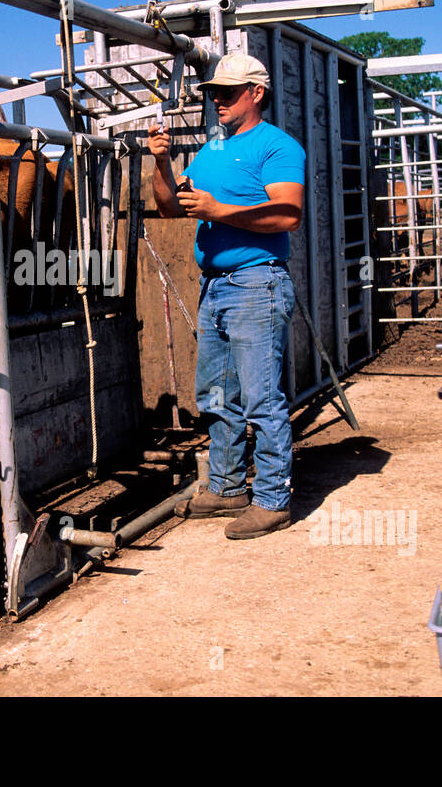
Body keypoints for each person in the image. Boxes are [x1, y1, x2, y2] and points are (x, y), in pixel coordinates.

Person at [149, 52, 306, 539]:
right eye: (213, 91)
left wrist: (219, 210)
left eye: (227, 91)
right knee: (215, 394)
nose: (217, 99)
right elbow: (171, 205)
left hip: (257, 283)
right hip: (215, 286)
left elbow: (287, 215)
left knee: (261, 397)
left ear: (256, 93)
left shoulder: (277, 147)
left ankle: (274, 499)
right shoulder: (213, 149)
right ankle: (226, 486)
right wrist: (160, 161)